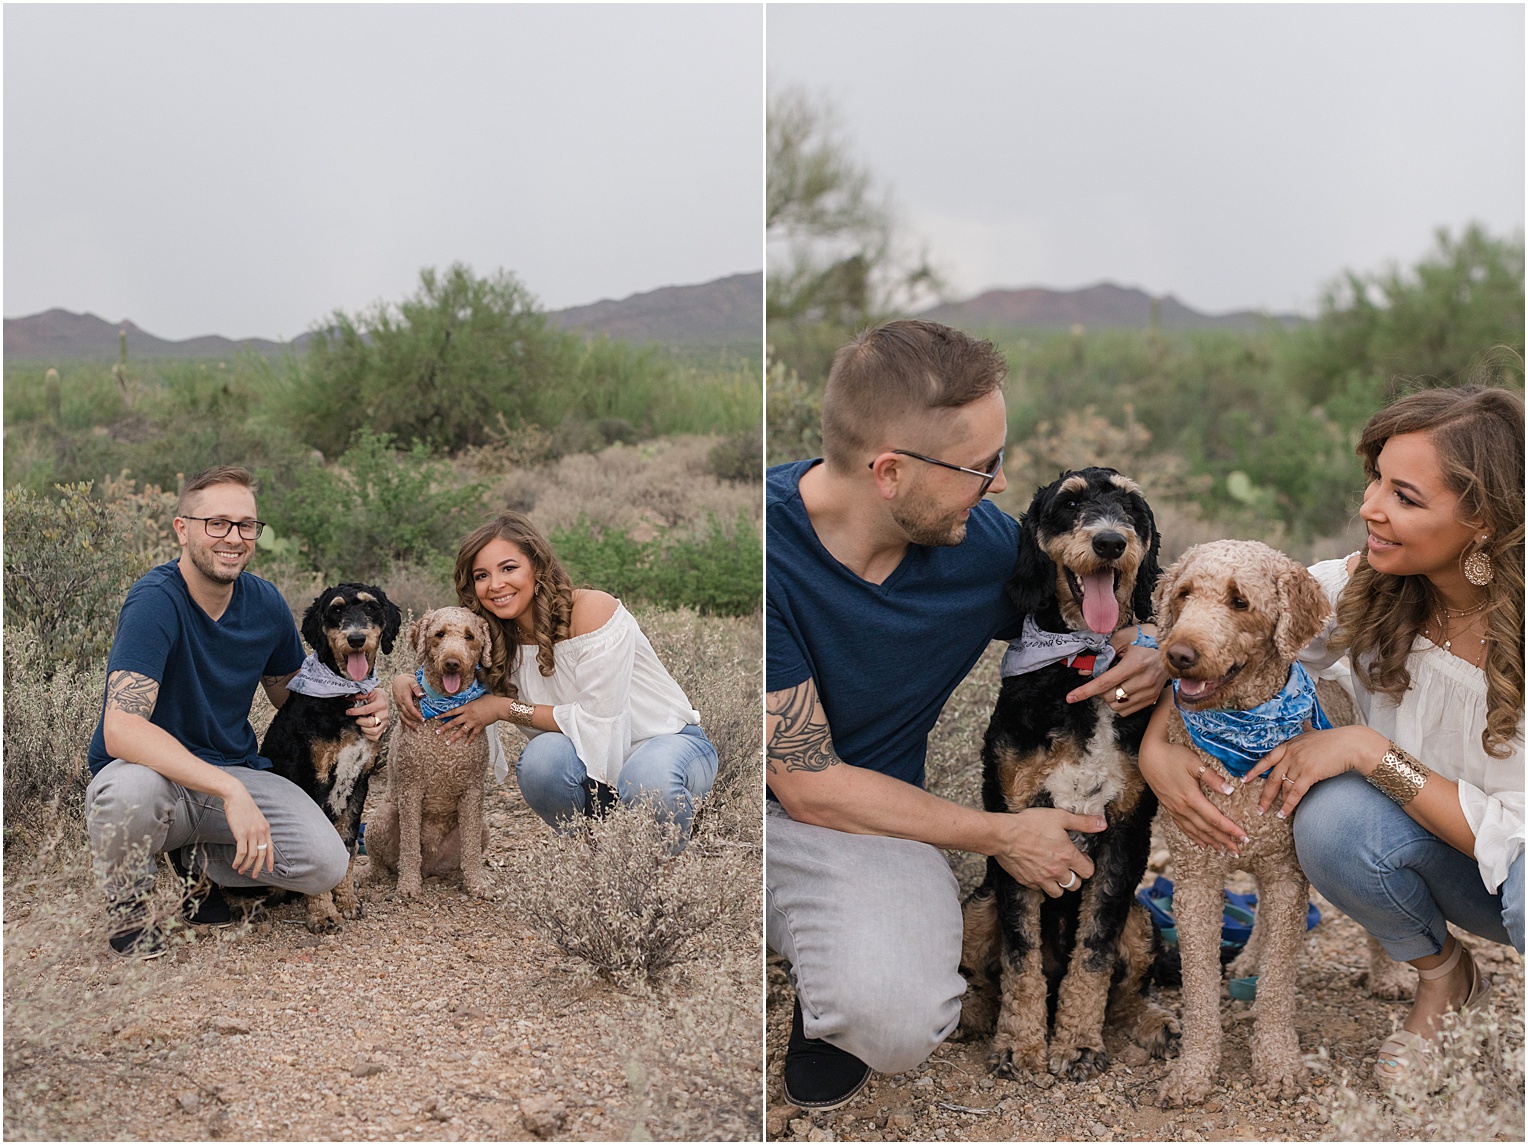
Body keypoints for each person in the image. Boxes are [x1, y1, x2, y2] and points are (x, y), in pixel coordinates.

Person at [765, 319, 1168, 1109]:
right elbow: (806, 783)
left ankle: (842, 963)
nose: (995, 487)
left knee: (900, 1020)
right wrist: (1003, 834)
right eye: (980, 467)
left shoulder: (982, 548)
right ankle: (817, 944)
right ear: (889, 472)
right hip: (760, 807)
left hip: (870, 824)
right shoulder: (768, 546)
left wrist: (1148, 640)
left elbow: (1095, 602)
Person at [1139, 384, 1524, 1083]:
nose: (1369, 507)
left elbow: (1513, 838)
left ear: (1484, 522)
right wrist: (1155, 743)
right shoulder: (1370, 584)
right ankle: (1445, 977)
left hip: (1517, 870)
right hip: (1446, 858)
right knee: (1331, 821)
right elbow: (1231, 643)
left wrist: (1369, 749)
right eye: (1375, 477)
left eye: (1405, 496)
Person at [85, 465, 391, 958]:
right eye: (217, 523)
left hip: (235, 772)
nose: (234, 537)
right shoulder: (154, 602)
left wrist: (366, 699)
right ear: (182, 529)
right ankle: (131, 908)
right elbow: (121, 730)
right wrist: (228, 789)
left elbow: (296, 695)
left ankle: (199, 864)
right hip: (157, 776)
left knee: (326, 864)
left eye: (246, 525)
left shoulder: (264, 601)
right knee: (128, 793)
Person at [391, 510, 718, 842]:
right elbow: (448, 660)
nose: (496, 585)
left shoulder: (591, 610)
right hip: (589, 765)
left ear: (538, 567)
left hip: (667, 743)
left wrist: (502, 708)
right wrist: (404, 680)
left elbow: (598, 720)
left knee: (648, 778)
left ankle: (663, 868)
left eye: (508, 568)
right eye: (481, 575)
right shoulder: (490, 636)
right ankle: (594, 858)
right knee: (540, 763)